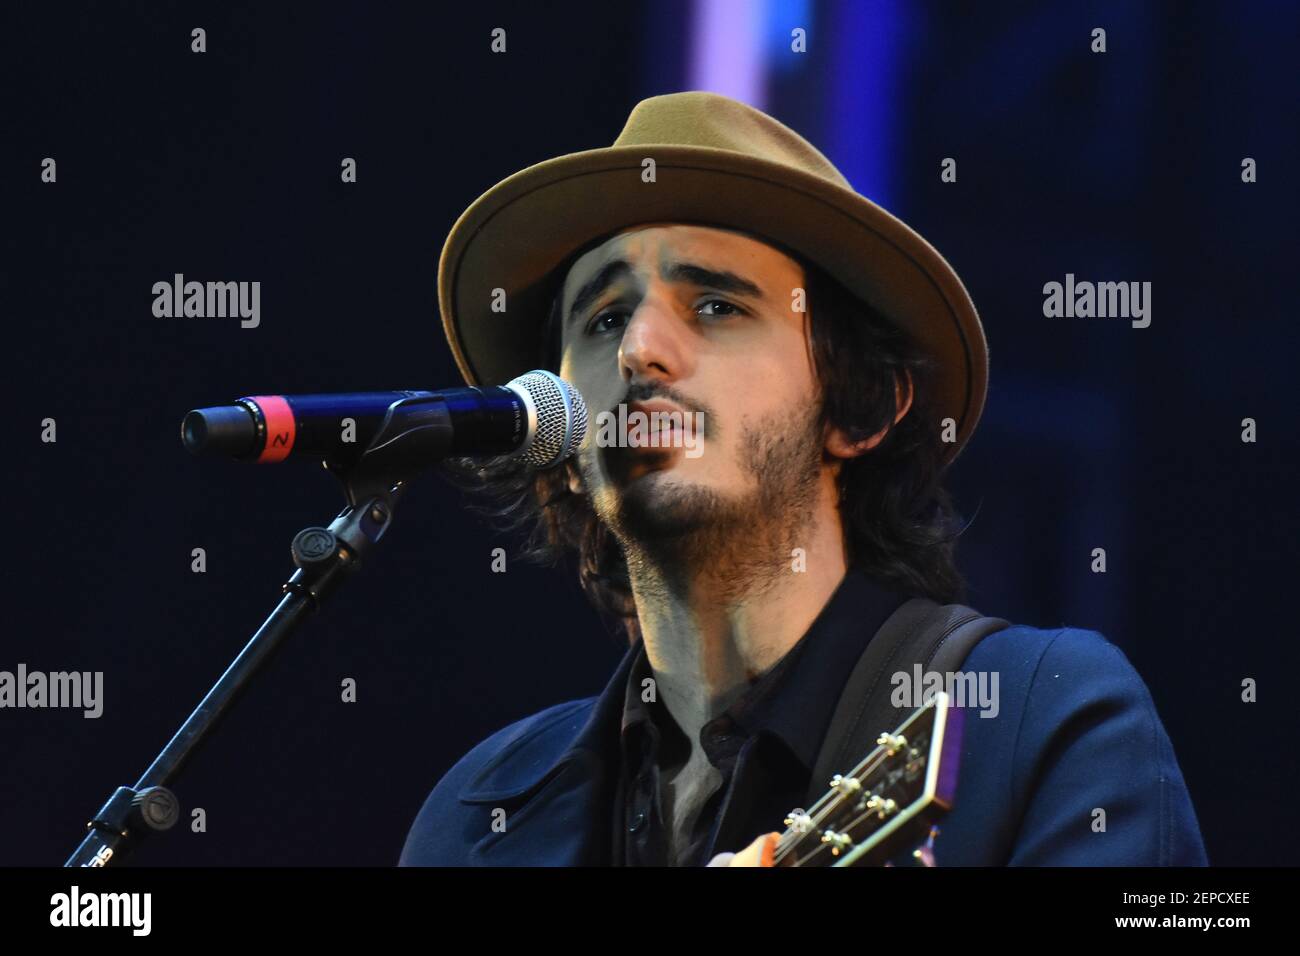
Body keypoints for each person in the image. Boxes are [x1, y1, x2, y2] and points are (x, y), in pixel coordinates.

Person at [399, 91, 1207, 867]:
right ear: (562, 443)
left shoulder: (1043, 718)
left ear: (861, 408)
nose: (638, 348)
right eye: (605, 317)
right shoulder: (476, 819)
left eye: (716, 305)